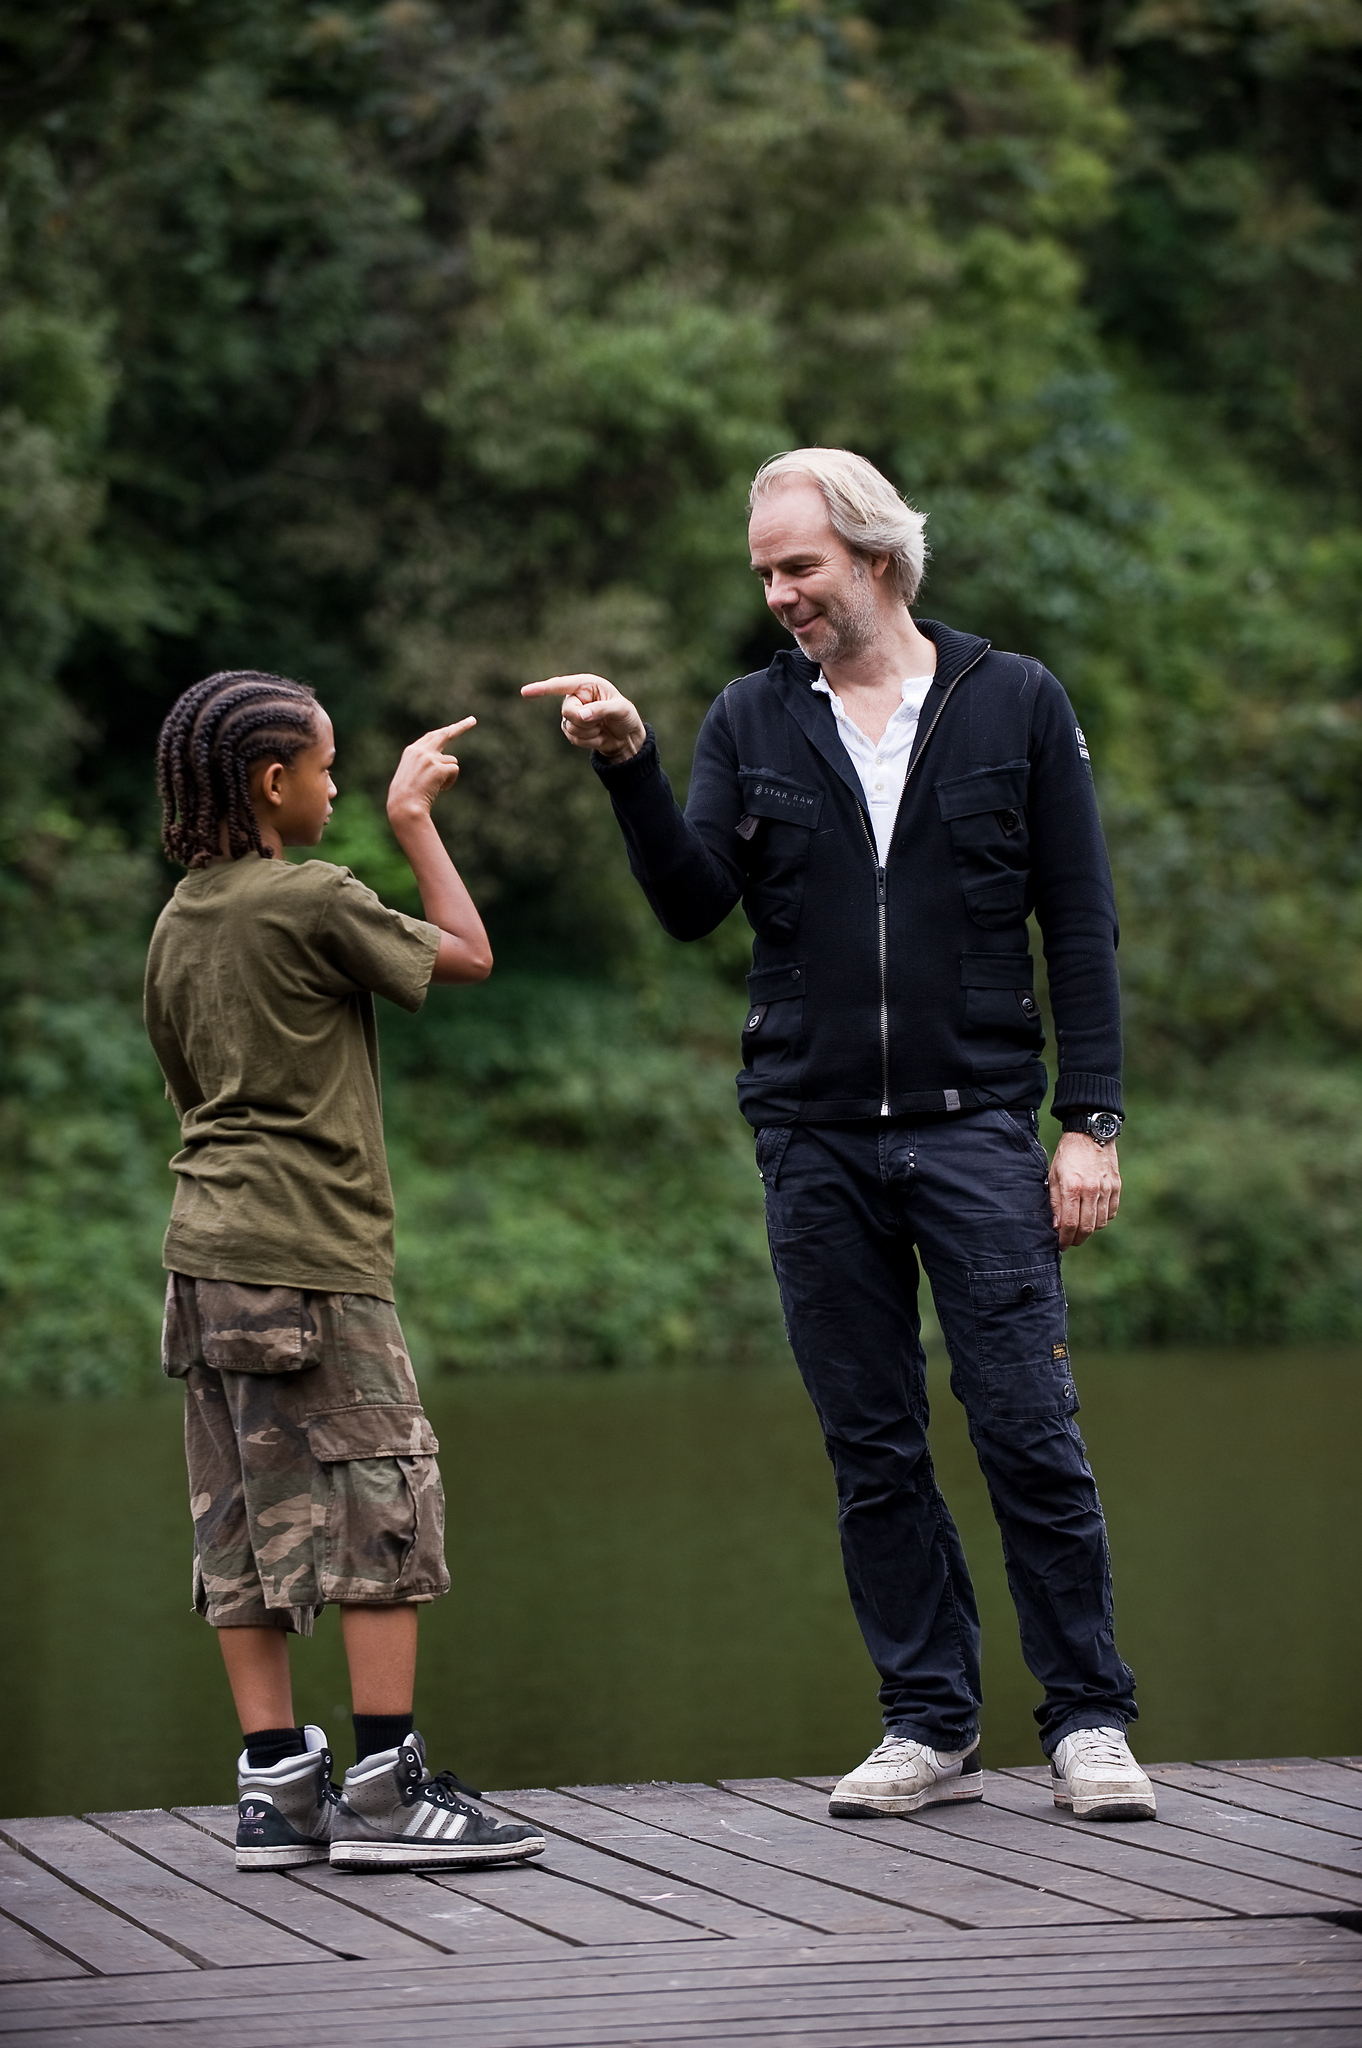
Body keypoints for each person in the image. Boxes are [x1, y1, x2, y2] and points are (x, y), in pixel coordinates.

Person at [522, 447, 1155, 1825]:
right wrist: (627, 767)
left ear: (873, 556)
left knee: (1025, 1430)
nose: (778, 594)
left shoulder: (1018, 704)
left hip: (978, 1128)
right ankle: (927, 1726)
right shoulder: (750, 717)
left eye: (796, 566)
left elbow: (1080, 925)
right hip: (812, 1137)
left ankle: (1088, 1721)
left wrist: (1087, 1122)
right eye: (763, 572)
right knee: (871, 1447)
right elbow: (695, 905)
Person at [145, 669, 546, 1872]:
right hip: (312, 1257)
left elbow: (184, 1082)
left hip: (202, 1258)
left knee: (240, 1518)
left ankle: (277, 1787)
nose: (336, 787)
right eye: (326, 768)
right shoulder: (312, 897)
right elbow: (468, 953)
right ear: (275, 782)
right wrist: (416, 819)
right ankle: (383, 1786)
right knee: (380, 1498)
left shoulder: (177, 919)